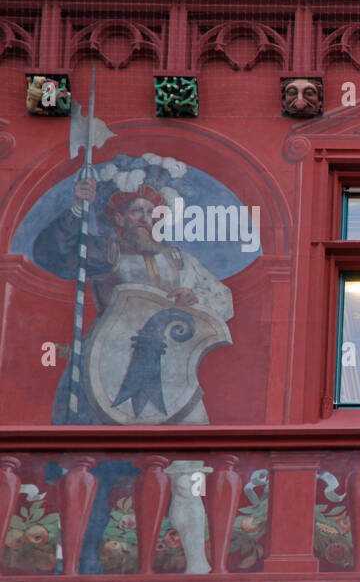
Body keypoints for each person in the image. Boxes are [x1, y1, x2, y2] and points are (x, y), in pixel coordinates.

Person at [32, 175, 233, 423]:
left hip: (169, 359)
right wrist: (77, 206)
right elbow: (52, 253)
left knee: (191, 428)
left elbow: (223, 297)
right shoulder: (106, 251)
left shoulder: (178, 259)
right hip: (109, 356)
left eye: (150, 212)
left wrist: (196, 298)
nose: (145, 219)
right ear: (118, 218)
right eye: (137, 211)